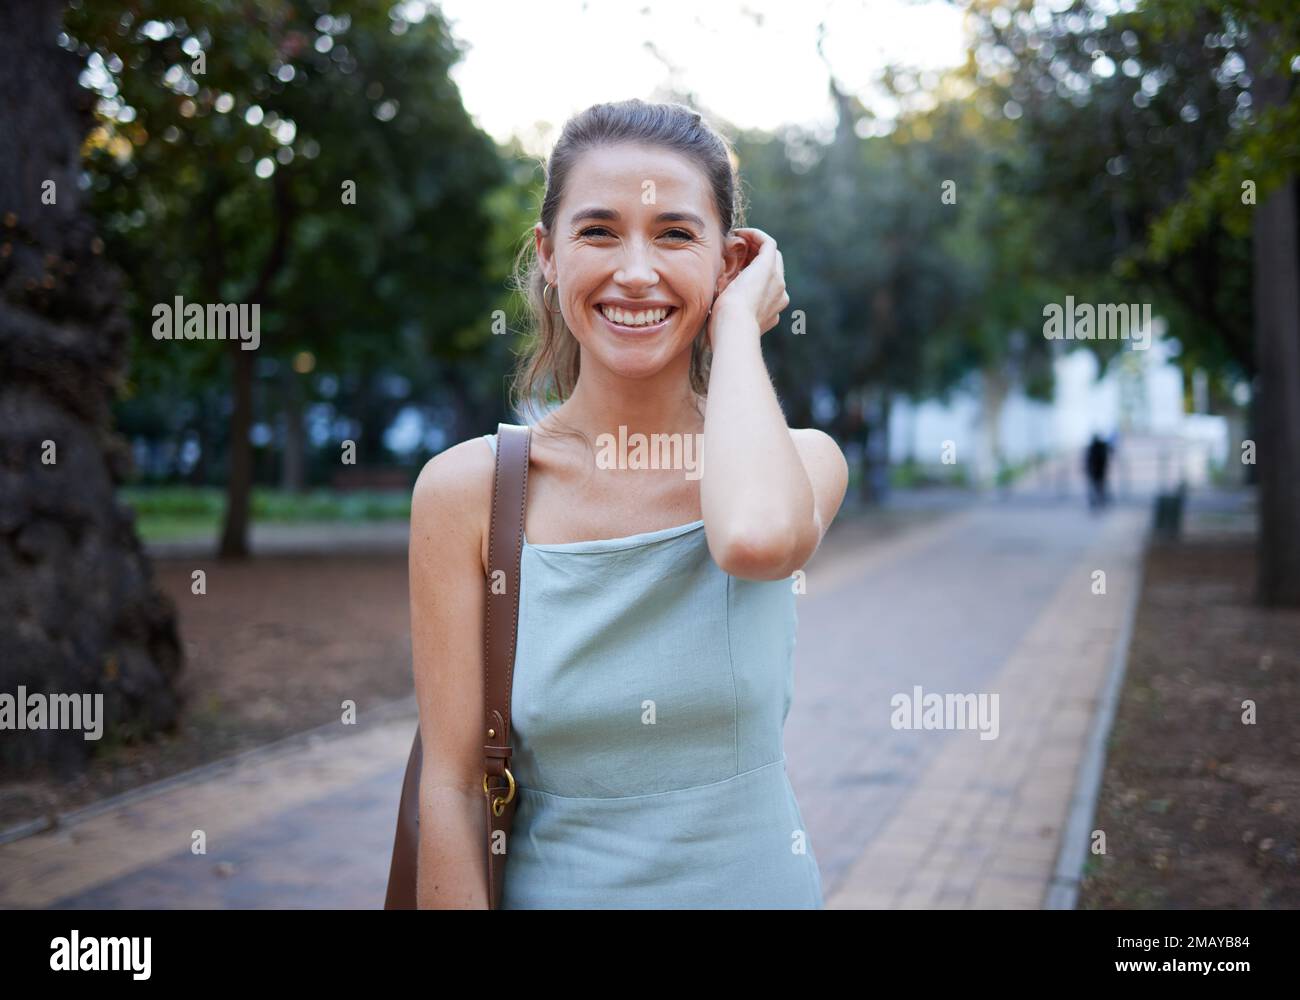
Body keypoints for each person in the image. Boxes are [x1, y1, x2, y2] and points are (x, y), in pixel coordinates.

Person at [407, 99, 848, 908]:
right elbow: (451, 788)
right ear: (548, 255)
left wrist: (739, 331)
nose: (637, 271)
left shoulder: (804, 464)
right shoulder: (468, 493)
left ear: (729, 264)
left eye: (677, 234)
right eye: (599, 231)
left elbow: (751, 540)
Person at [1084, 433, 1110, 509]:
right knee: (1099, 488)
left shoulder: (1093, 447)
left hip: (1096, 471)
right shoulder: (1100, 447)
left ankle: (1097, 502)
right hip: (1098, 471)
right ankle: (1098, 502)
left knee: (1097, 488)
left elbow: (1088, 460)